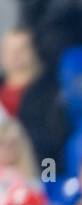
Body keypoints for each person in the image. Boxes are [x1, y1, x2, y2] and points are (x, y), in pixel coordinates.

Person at [0, 28, 68, 167]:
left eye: (21, 49)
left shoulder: (50, 91)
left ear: (34, 51)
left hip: (36, 164)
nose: (15, 56)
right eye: (10, 51)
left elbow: (52, 144)